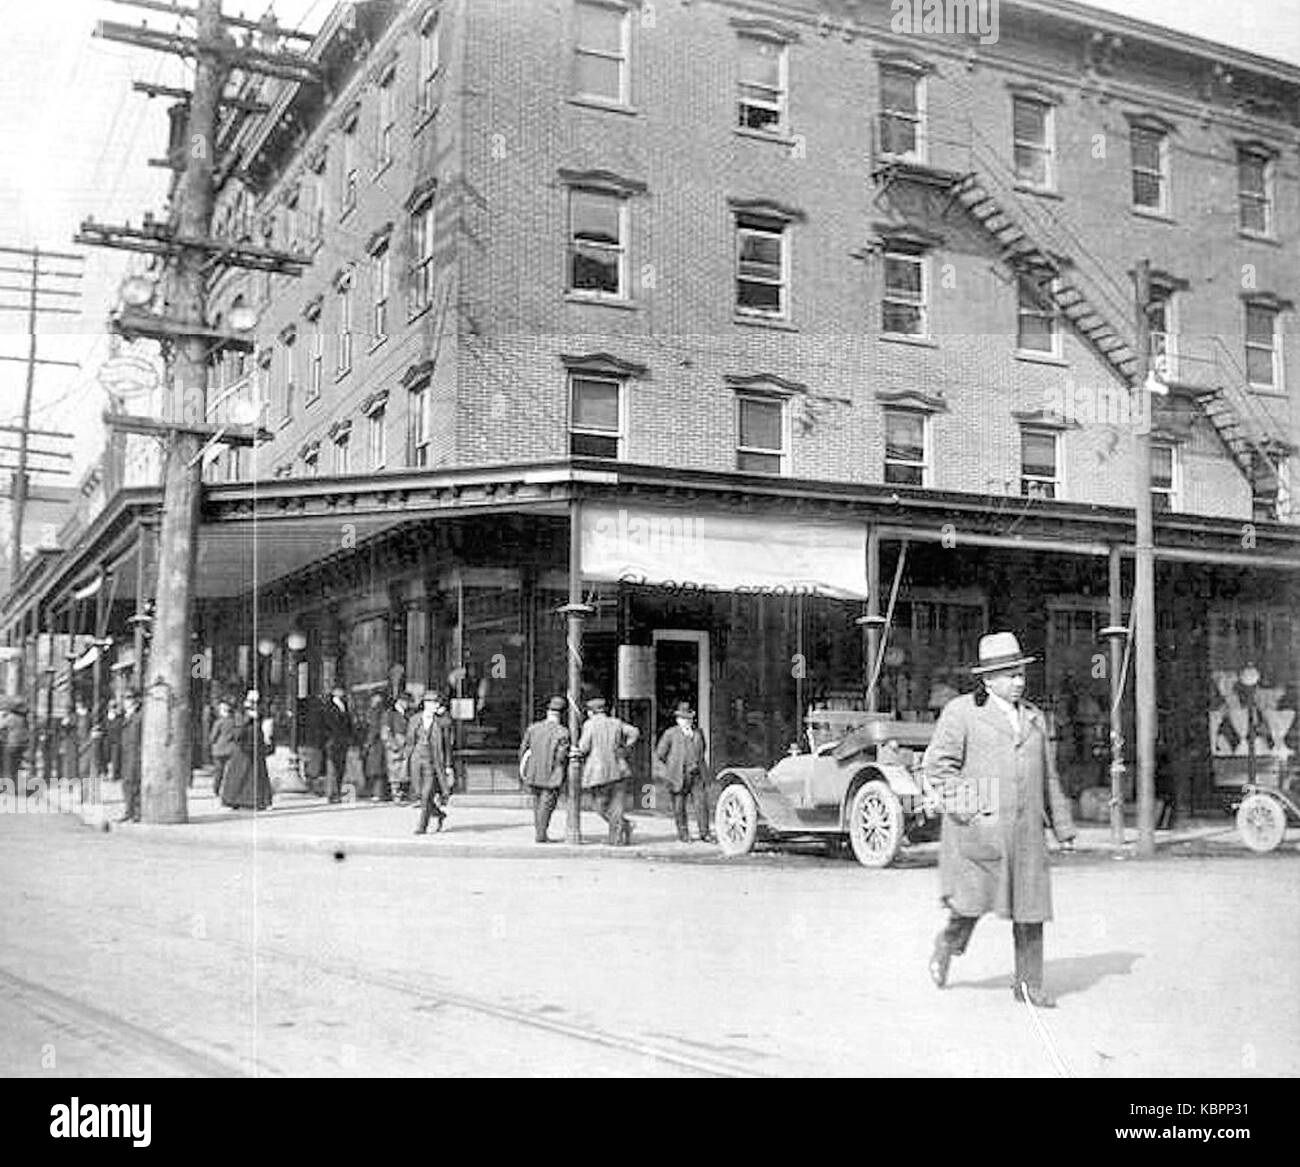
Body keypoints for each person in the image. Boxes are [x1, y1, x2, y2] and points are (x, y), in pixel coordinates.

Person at [923, 632, 1077, 1009]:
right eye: (1009, 675)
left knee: (1031, 908)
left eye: (1021, 674)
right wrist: (976, 808)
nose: (1019, 682)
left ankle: (1028, 985)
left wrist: (1063, 826)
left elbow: (1049, 775)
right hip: (981, 831)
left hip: (1026, 834)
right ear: (988, 680)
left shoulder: (1035, 718)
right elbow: (938, 767)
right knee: (970, 905)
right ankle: (947, 945)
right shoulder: (962, 712)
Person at [574, 695, 640, 846]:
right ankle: (617, 838)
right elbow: (634, 732)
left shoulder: (589, 725)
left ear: (591, 712)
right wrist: (625, 747)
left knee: (599, 805)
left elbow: (583, 747)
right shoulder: (616, 723)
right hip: (619, 768)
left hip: (598, 771)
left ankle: (623, 827)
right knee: (617, 805)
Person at [655, 701, 715, 843]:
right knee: (679, 806)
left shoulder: (698, 732)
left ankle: (705, 833)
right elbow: (660, 753)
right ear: (678, 720)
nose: (686, 721)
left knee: (701, 804)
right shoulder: (670, 734)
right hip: (678, 775)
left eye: (688, 718)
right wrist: (672, 765)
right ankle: (684, 834)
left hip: (697, 774)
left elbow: (703, 749)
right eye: (683, 718)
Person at [519, 696, 570, 843]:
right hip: (552, 774)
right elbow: (561, 756)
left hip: (534, 773)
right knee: (547, 806)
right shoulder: (563, 732)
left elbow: (523, 750)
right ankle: (541, 834)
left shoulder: (533, 728)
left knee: (537, 804)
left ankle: (539, 832)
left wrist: (526, 769)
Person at [408, 690, 455, 834]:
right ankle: (439, 814)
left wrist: (448, 766)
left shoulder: (442, 722)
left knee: (427, 794)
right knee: (420, 794)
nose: (431, 706)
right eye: (429, 703)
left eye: (435, 703)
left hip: (432, 762)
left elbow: (447, 745)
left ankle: (422, 826)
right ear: (424, 704)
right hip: (417, 760)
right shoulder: (415, 719)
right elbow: (410, 741)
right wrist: (407, 759)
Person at [220, 691, 274, 811]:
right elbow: (237, 732)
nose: (253, 705)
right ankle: (235, 800)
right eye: (251, 702)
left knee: (256, 776)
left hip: (256, 749)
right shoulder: (241, 714)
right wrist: (247, 719)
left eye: (256, 702)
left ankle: (258, 800)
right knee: (239, 775)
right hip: (242, 750)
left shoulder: (260, 714)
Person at [322, 685, 354, 803]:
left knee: (341, 767)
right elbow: (326, 723)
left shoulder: (344, 705)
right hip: (333, 740)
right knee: (332, 767)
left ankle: (338, 791)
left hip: (342, 740)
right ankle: (332, 793)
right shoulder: (329, 706)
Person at [383, 691, 414, 803]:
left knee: (405, 772)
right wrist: (392, 745)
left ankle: (404, 793)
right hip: (395, 747)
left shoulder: (409, 714)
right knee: (394, 772)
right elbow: (385, 732)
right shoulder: (390, 713)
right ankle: (395, 794)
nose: (408, 704)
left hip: (406, 746)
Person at [118, 691, 143, 823]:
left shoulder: (139, 716)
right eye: (125, 698)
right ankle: (128, 810)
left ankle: (137, 812)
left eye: (128, 698)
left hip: (136, 754)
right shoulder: (126, 716)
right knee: (126, 783)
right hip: (126, 753)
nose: (125, 702)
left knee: (136, 783)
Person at [361, 692, 390, 801]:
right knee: (379, 769)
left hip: (376, 744)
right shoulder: (383, 711)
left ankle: (377, 793)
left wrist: (367, 743)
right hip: (379, 743)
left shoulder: (375, 712)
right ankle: (380, 793)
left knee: (376, 770)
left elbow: (373, 729)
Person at [208, 698, 239, 799]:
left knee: (218, 771)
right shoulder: (234, 722)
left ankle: (216, 789)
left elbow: (213, 736)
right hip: (231, 749)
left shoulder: (219, 722)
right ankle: (228, 790)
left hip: (218, 749)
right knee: (229, 771)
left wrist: (212, 743)